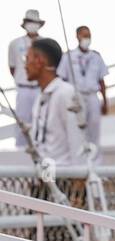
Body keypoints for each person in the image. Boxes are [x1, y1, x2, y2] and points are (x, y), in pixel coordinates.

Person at [26, 37, 84, 166]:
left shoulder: (66, 93)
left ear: (39, 61)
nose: (25, 65)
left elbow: (77, 138)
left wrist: (78, 179)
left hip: (64, 177)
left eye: (27, 59)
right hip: (45, 176)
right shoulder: (40, 98)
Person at [57, 26, 108, 150]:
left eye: (88, 35)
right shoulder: (68, 56)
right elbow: (61, 79)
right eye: (84, 35)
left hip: (92, 96)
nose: (87, 38)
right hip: (76, 96)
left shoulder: (96, 56)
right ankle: (79, 158)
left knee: (94, 127)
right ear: (77, 36)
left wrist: (105, 101)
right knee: (76, 127)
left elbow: (101, 80)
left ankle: (95, 158)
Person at [7, 9, 45, 146]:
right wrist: (24, 79)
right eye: (30, 22)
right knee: (22, 121)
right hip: (23, 89)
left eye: (35, 22)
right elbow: (12, 68)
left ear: (39, 24)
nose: (32, 25)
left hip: (41, 89)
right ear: (25, 24)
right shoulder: (15, 44)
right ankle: (21, 151)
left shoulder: (45, 43)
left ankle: (42, 150)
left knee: (42, 120)